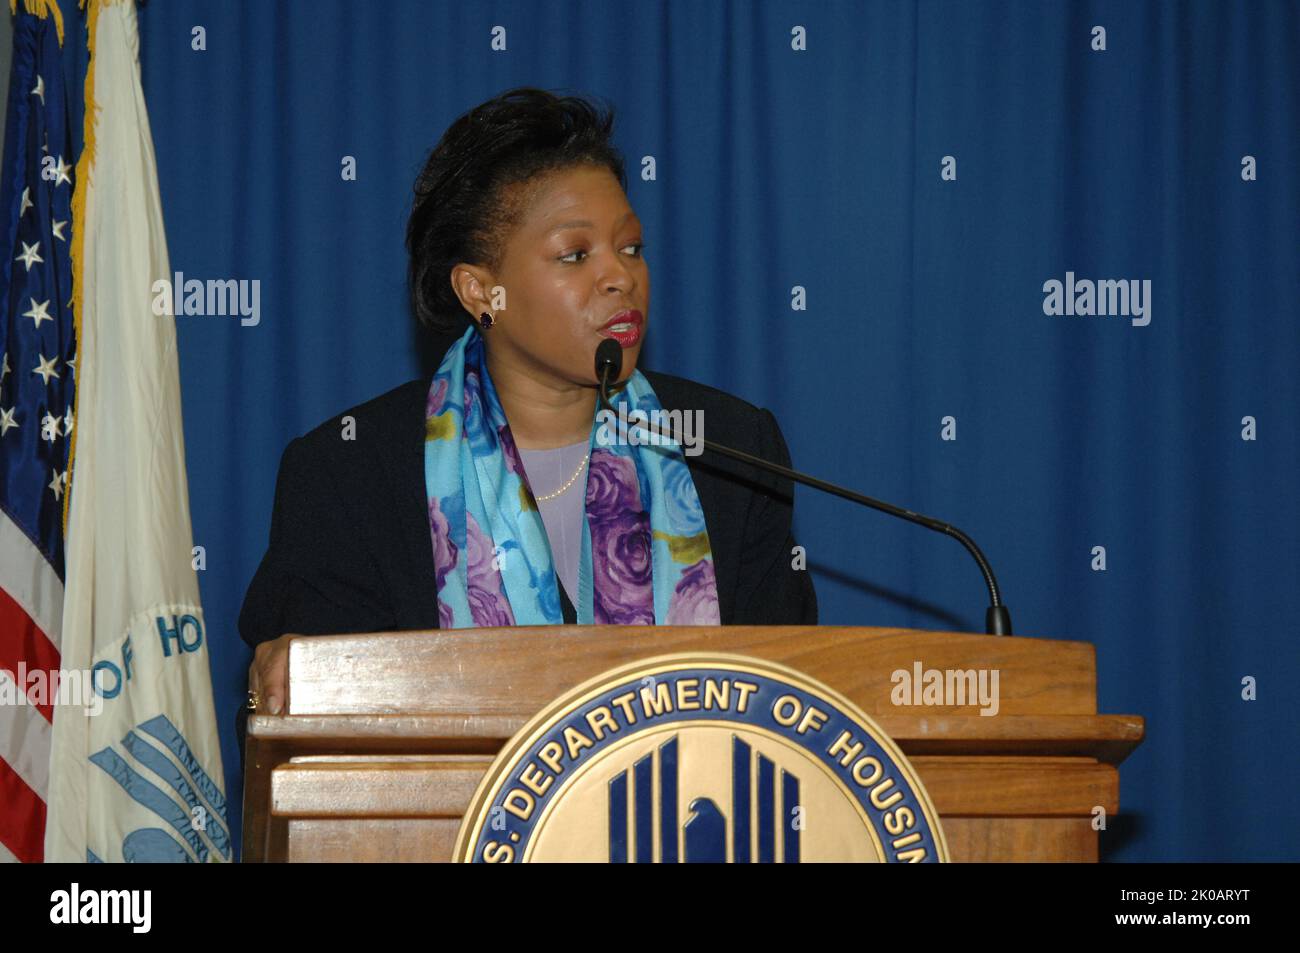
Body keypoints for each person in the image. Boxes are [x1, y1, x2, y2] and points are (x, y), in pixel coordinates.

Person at [238, 87, 816, 735]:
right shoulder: (351, 473)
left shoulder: (728, 450)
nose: (620, 276)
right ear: (481, 290)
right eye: (575, 254)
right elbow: (303, 751)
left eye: (630, 248)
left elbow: (793, 709)